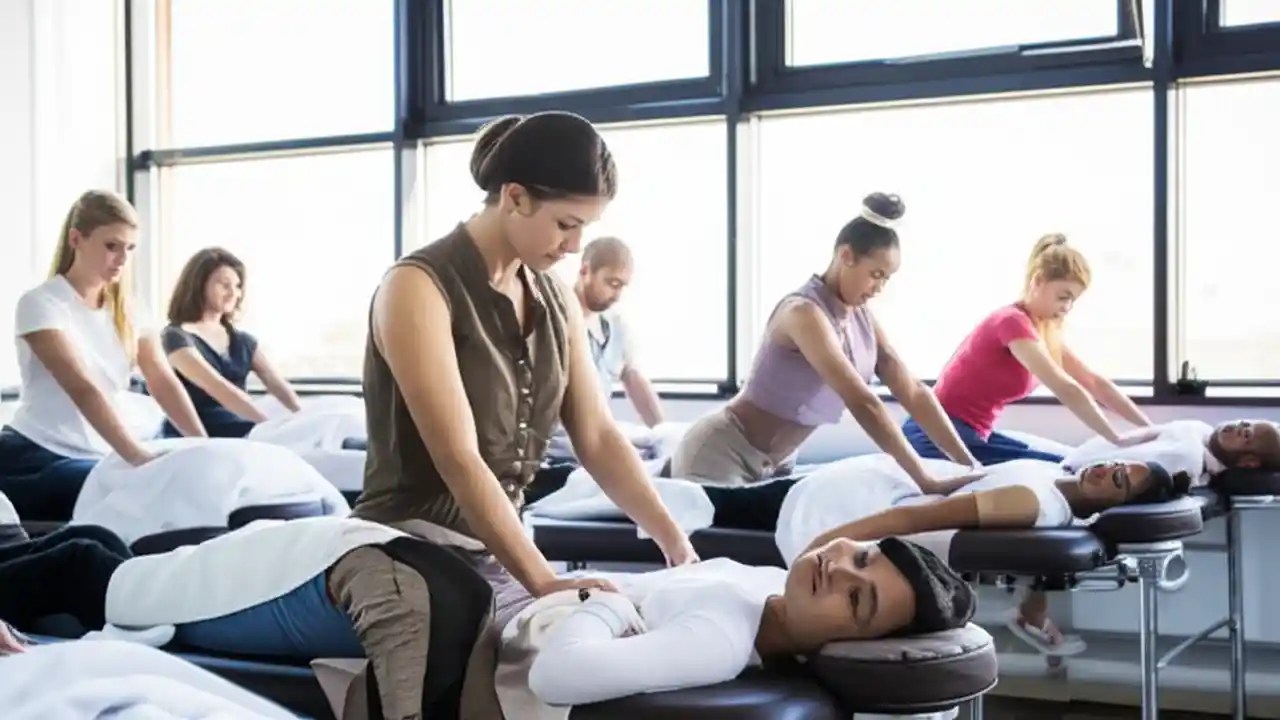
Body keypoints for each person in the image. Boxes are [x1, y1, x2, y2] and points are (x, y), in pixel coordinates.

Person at [349, 111, 696, 717]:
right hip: (412, 541)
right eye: (566, 224)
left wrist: (675, 544)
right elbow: (457, 457)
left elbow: (595, 434)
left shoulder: (555, 294)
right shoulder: (417, 287)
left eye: (585, 228)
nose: (575, 246)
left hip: (500, 541)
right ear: (514, 197)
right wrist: (541, 581)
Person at [671, 193, 983, 491]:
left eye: (887, 278)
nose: (879, 288)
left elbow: (912, 390)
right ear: (845, 256)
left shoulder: (861, 316)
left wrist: (969, 464)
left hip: (776, 465)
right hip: (722, 454)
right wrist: (923, 478)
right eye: (875, 274)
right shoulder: (803, 313)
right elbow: (863, 402)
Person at [523, 537, 974, 708]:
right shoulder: (773, 584)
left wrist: (608, 604)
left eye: (856, 599)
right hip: (534, 593)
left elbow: (554, 676)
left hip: (504, 630)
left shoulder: (719, 642)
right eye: (861, 556)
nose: (839, 570)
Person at [0, 190, 206, 520]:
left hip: (101, 451)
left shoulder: (131, 309)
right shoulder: (41, 304)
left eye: (130, 248)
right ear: (76, 239)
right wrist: (135, 458)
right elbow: (83, 388)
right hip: (37, 454)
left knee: (192, 481)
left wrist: (204, 445)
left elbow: (161, 378)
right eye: (111, 246)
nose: (122, 259)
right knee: (145, 494)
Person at [904, 234, 1153, 466]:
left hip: (971, 433)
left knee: (1068, 460)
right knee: (1068, 467)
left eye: (1073, 300)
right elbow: (1065, 387)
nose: (1067, 307)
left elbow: (1093, 382)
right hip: (934, 433)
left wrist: (1151, 430)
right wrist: (1116, 439)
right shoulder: (1012, 322)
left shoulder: (1042, 331)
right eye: (1063, 296)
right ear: (1037, 282)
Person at [161, 247, 302, 438]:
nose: (234, 293)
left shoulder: (243, 341)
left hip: (240, 424)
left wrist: (302, 417)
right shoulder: (175, 337)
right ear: (199, 285)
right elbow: (216, 386)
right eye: (224, 285)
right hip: (199, 430)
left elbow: (276, 383)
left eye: (237, 286)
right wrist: (267, 425)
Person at [573, 236, 663, 426]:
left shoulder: (615, 325)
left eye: (622, 286)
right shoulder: (556, 319)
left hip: (598, 431)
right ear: (585, 271)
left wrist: (661, 429)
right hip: (559, 440)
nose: (617, 296)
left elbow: (633, 377)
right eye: (612, 284)